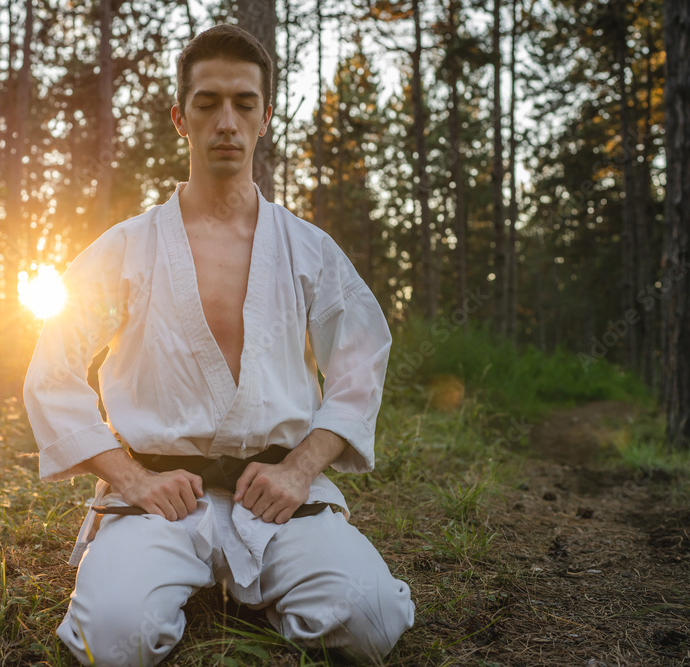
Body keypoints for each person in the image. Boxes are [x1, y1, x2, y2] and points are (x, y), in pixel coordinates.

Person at [23, 24, 415, 666]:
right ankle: (180, 580)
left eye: (243, 103)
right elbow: (52, 367)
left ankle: (243, 580)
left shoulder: (306, 248)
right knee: (110, 641)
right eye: (207, 103)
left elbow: (360, 359)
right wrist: (130, 477)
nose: (225, 121)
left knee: (370, 622)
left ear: (265, 118)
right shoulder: (128, 248)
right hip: (159, 502)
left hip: (279, 500)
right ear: (181, 118)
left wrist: (300, 468)